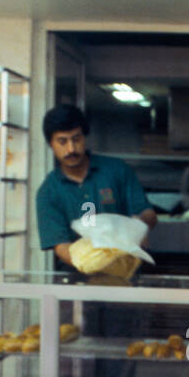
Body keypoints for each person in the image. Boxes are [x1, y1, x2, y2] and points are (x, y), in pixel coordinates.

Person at [35, 103, 157, 269]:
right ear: (51, 144)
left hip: (126, 272)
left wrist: (139, 224)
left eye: (76, 139)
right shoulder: (48, 192)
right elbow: (60, 245)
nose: (71, 149)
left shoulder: (117, 170)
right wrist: (97, 266)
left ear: (85, 137)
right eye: (62, 142)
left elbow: (148, 213)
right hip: (76, 278)